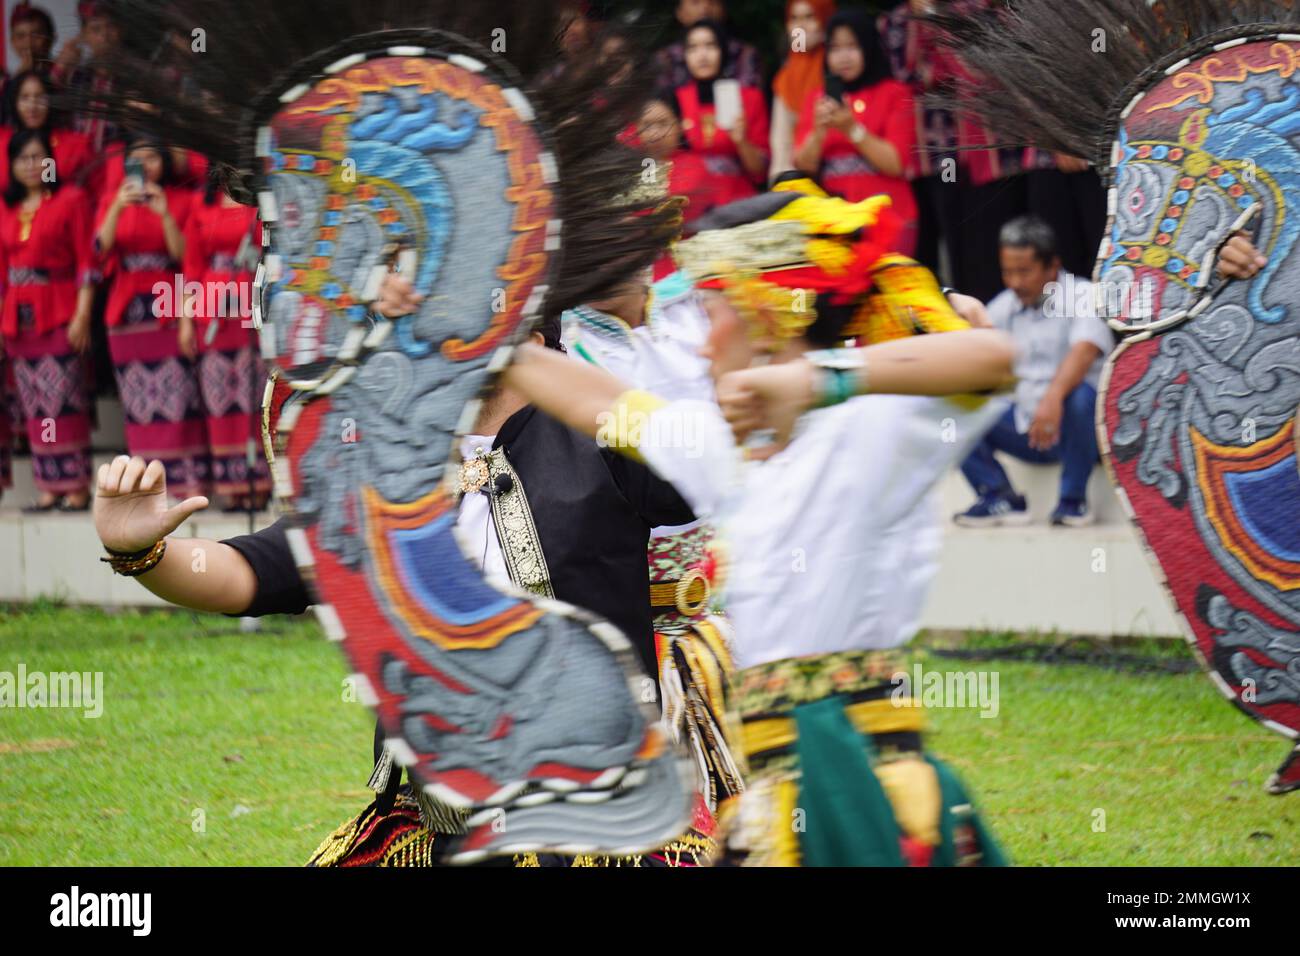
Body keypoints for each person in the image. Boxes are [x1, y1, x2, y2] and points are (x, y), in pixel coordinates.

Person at [493, 178, 1016, 866]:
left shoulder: (875, 426)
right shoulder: (723, 444)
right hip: (775, 798)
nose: (704, 347)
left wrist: (814, 380)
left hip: (864, 781)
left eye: (713, 316)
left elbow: (995, 358)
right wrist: (493, 336)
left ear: (769, 313)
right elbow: (604, 406)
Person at [955, 215, 1114, 528]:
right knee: (955, 410)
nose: (1015, 282)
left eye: (1024, 271)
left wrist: (1053, 398)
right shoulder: (1004, 305)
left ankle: (1072, 501)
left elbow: (1085, 351)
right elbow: (977, 354)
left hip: (1079, 430)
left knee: (1081, 398)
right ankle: (998, 496)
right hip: (1027, 428)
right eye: (1007, 272)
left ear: (1053, 266)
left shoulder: (1083, 294)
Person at [95, 136, 208, 499]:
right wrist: (115, 207)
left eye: (151, 158)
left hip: (167, 298)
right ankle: (146, 480)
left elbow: (185, 255)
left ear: (165, 162)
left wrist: (164, 215)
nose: (144, 166)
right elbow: (99, 248)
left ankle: (183, 480)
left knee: (176, 394)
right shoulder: (114, 200)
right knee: (138, 398)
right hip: (127, 308)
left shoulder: (182, 200)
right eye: (135, 158)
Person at [0, 129, 96, 511]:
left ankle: (74, 483)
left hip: (59, 310)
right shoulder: (6, 210)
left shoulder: (71, 200)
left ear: (50, 162)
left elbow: (88, 263)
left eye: (38, 156)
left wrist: (83, 314)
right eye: (22, 158)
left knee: (63, 400)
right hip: (19, 319)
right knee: (36, 405)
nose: (31, 164)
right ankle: (48, 483)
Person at [793, 9, 918, 255]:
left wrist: (852, 130)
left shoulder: (895, 93)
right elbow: (803, 166)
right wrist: (819, 132)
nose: (843, 57)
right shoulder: (817, 99)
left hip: (889, 217)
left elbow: (896, 163)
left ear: (868, 48)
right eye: (835, 49)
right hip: (834, 221)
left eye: (852, 47)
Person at [179, 175, 268, 512]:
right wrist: (186, 320)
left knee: (253, 396)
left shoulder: (260, 203)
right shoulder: (201, 207)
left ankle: (258, 482)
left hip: (252, 305)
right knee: (221, 400)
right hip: (212, 310)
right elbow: (191, 266)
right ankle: (231, 485)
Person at [674, 20, 769, 209]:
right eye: (693, 48)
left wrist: (741, 141)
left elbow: (761, 171)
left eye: (710, 45)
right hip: (688, 203)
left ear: (723, 51)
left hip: (737, 201)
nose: (702, 55)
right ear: (685, 55)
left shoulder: (750, 98)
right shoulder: (674, 100)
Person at [0, 71, 96, 198]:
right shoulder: (2, 142)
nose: (32, 106)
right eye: (24, 97)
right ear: (14, 103)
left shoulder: (76, 146)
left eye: (40, 97)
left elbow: (96, 195)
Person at [769, 0, 835, 180]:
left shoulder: (837, 67)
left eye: (809, 17)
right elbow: (781, 142)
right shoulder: (785, 76)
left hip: (834, 174)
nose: (800, 26)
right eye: (794, 18)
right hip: (794, 178)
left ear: (826, 19)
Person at [50, 0, 126, 153]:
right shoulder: (74, 76)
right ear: (84, 36)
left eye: (110, 26)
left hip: (116, 171)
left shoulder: (133, 80)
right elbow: (44, 105)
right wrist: (61, 67)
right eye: (96, 29)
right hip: (78, 169)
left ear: (120, 31)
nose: (104, 36)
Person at [654, 0, 762, 92]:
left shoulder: (744, 54)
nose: (705, 7)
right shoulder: (665, 58)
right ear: (679, 13)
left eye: (712, 2)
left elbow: (751, 102)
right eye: (695, 2)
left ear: (723, 10)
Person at [2, 4, 56, 125]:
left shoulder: (65, 77)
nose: (28, 43)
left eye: (36, 34)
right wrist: (17, 81)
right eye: (21, 36)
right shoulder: (6, 84)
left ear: (51, 38)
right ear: (12, 42)